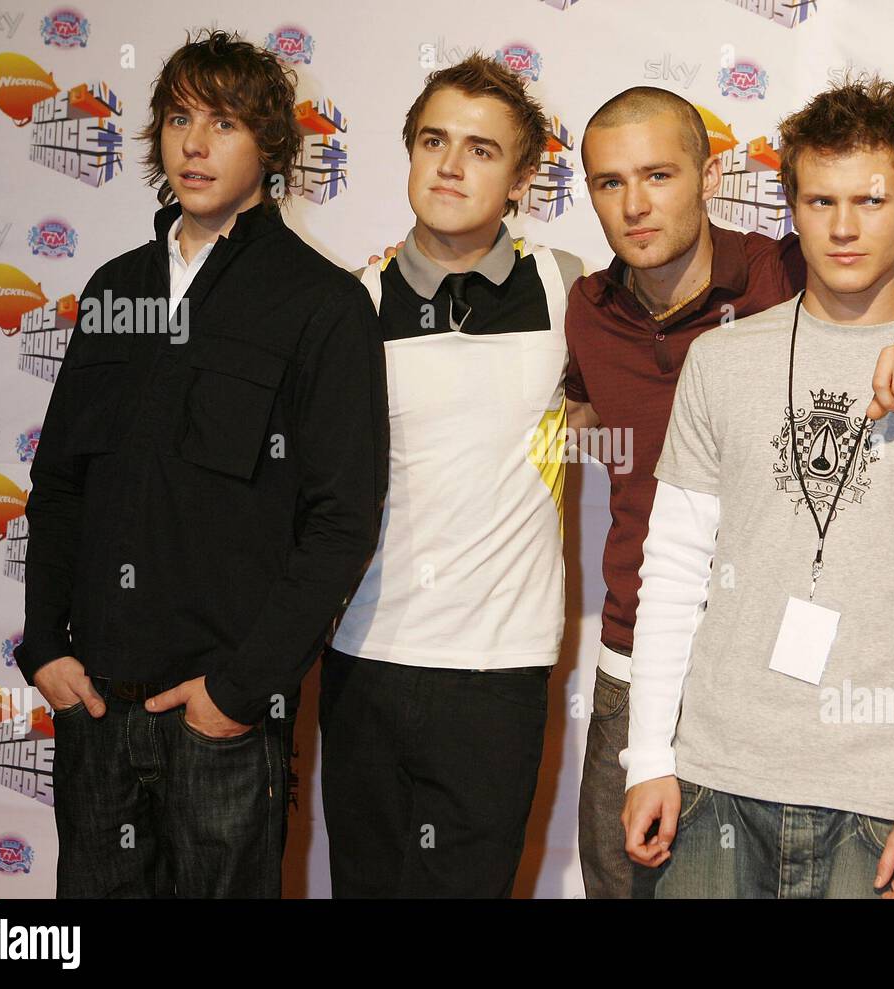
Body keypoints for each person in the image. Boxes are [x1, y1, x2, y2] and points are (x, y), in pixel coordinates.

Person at [567, 86, 894, 898]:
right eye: (820, 200)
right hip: (711, 774)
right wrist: (650, 758)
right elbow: (672, 572)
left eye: (870, 200)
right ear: (792, 206)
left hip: (879, 796)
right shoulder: (718, 357)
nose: (844, 227)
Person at [14, 29, 388, 898]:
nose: (194, 142)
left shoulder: (321, 304)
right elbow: (61, 481)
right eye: (179, 118)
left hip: (219, 714)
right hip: (94, 705)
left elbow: (339, 522)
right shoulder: (114, 289)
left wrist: (239, 690)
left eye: (223, 123)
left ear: (272, 146)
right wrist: (42, 644)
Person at [321, 54, 583, 898]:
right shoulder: (351, 301)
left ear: (520, 179)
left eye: (480, 149)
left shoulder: (564, 284)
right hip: (364, 658)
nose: (449, 164)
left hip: (497, 672)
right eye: (433, 140)